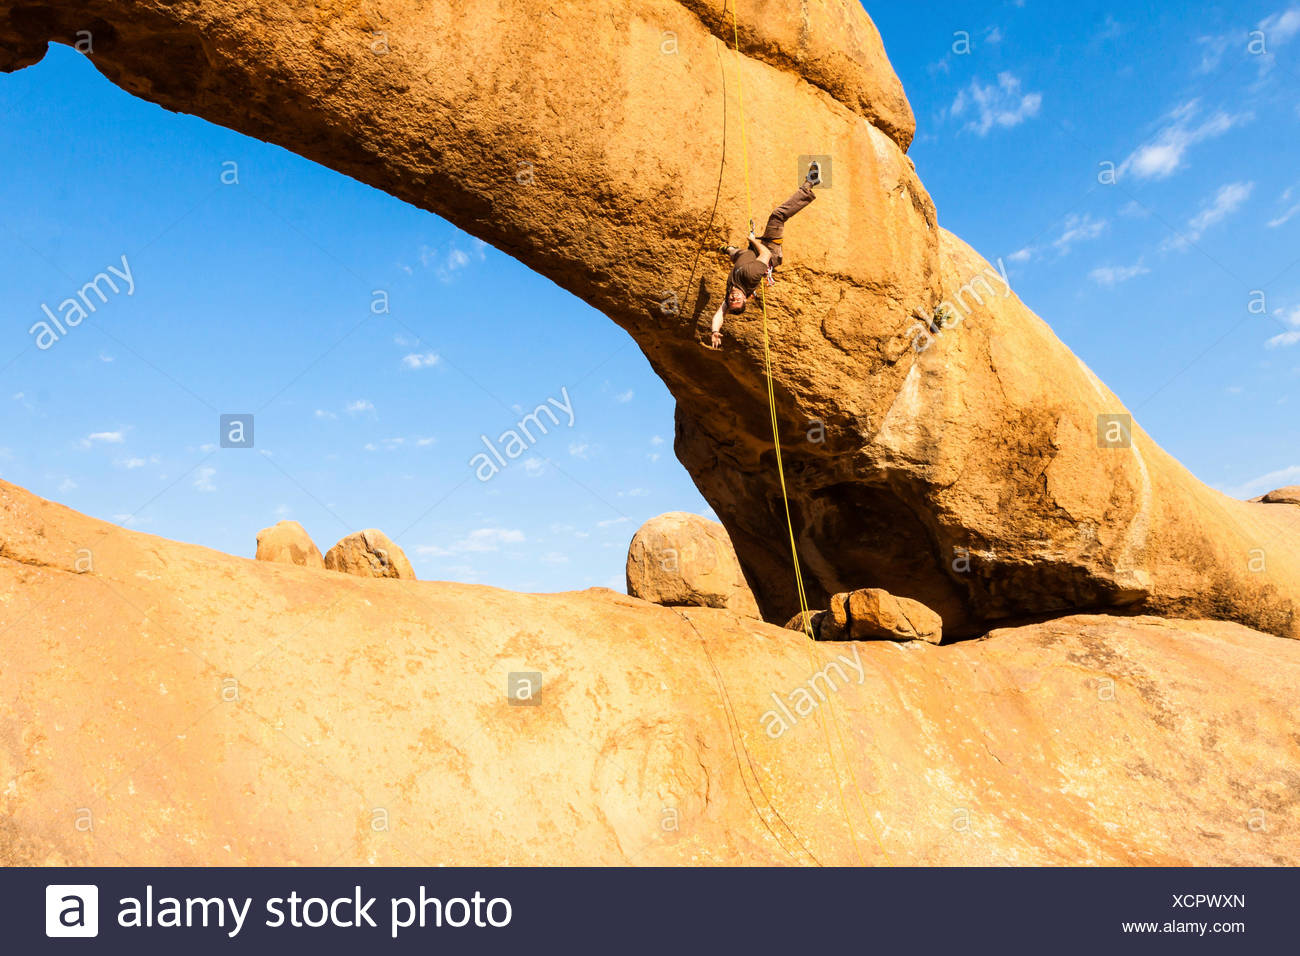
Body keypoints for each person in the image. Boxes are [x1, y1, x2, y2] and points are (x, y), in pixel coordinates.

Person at [707, 161, 821, 349]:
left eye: (731, 301)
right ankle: (810, 184)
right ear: (746, 298)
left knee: (738, 254)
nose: (733, 298)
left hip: (746, 256)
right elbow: (765, 253)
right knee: (777, 216)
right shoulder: (751, 276)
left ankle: (730, 249)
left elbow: (719, 314)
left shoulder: (731, 293)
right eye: (737, 300)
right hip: (769, 249)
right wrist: (752, 239)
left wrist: (714, 331)